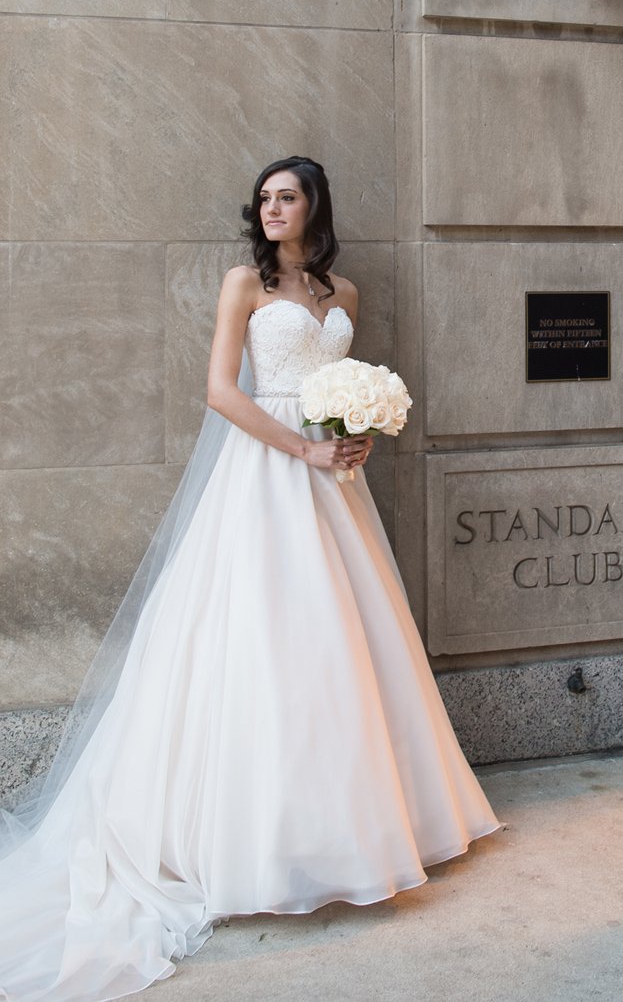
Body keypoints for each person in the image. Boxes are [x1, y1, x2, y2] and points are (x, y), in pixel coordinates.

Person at [0, 156, 498, 1001]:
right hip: (264, 475)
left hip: (336, 487)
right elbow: (221, 392)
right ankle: (251, 843)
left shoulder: (344, 293)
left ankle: (354, 827)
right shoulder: (246, 285)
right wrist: (301, 443)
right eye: (264, 198)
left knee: (343, 640)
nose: (272, 209)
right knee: (263, 636)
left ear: (314, 206)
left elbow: (339, 387)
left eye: (287, 196)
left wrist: (354, 432)